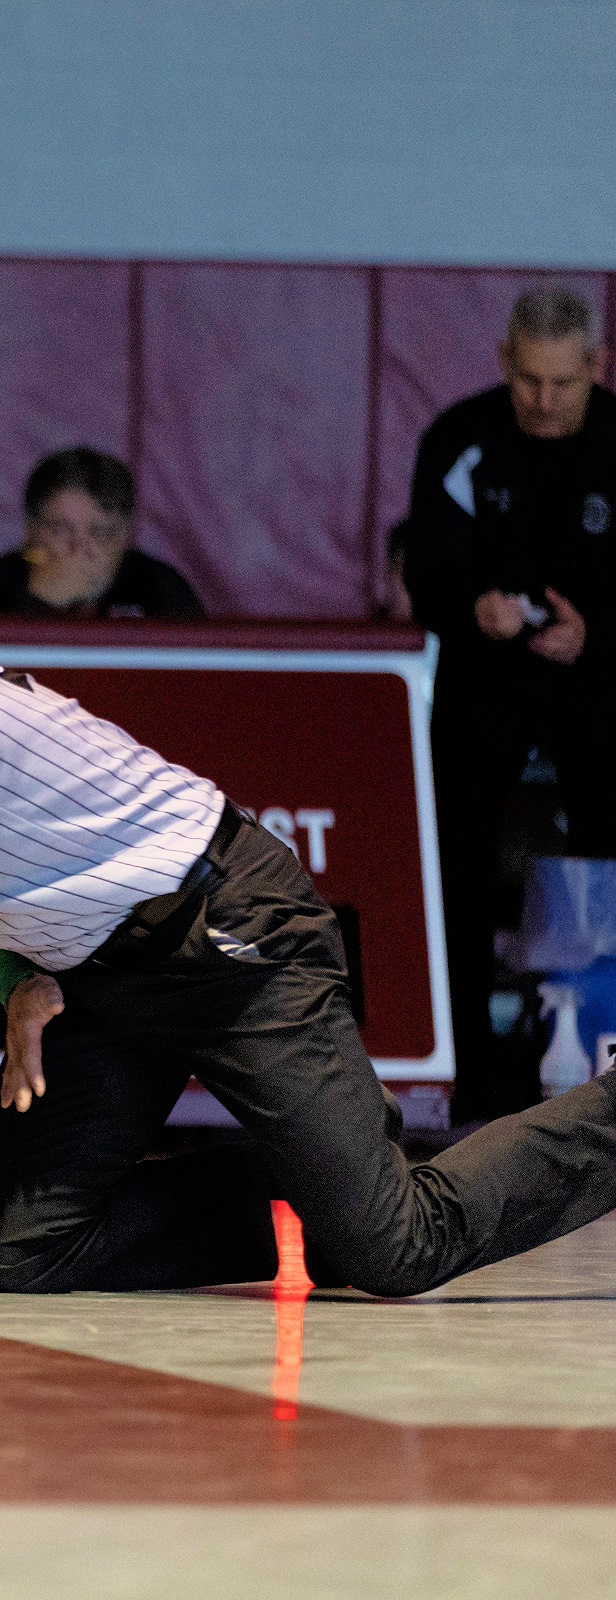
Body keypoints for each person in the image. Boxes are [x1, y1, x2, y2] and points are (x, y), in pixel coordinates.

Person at [0, 515, 616, 1312]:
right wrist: (19, 975)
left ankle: (411, 1167)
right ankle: (307, 1181)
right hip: (94, 971)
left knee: (393, 1249)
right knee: (17, 1251)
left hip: (228, 933)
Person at [403, 284, 616, 1121]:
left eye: (563, 383)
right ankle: (465, 1064)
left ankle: (603, 1057)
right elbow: (424, 574)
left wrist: (596, 637)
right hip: (485, 683)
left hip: (598, 687)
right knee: (454, 863)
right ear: (504, 363)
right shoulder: (462, 438)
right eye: (529, 379)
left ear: (596, 367)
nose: (544, 399)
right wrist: (473, 610)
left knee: (610, 846)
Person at [0, 448, 203, 620]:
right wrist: (39, 600)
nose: (80, 548)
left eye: (100, 533)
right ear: (32, 528)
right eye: (60, 529)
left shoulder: (160, 587)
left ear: (125, 533)